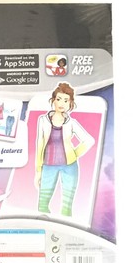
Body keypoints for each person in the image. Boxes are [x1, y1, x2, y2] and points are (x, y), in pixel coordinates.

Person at [34, 82, 94, 217]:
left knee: (67, 208)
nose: (62, 103)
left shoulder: (71, 123)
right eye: (59, 99)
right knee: (42, 205)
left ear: (70, 103)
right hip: (48, 166)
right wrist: (38, 170)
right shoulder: (43, 120)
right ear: (53, 100)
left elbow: (89, 140)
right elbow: (40, 144)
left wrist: (74, 154)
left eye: (66, 100)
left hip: (70, 166)